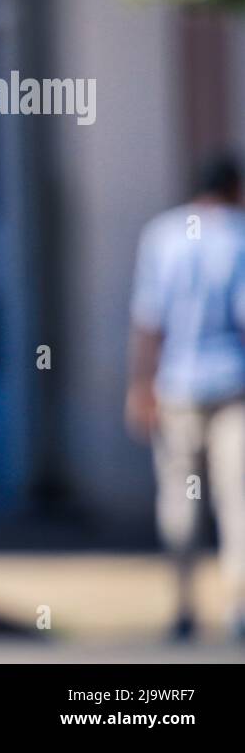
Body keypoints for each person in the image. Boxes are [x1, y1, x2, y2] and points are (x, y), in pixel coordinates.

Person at [127, 153, 245, 641]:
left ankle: (183, 605)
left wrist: (140, 385)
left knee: (179, 499)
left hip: (176, 386)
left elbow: (148, 320)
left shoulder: (164, 234)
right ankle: (238, 606)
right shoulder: (238, 236)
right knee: (236, 500)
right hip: (234, 388)